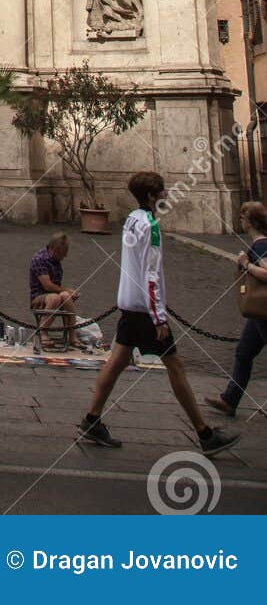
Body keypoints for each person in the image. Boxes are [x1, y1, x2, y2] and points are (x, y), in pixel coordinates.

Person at [77, 171, 234, 455]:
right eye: (161, 191)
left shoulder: (130, 221)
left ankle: (91, 419)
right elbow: (150, 275)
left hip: (129, 303)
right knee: (174, 365)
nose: (165, 195)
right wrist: (159, 317)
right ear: (150, 196)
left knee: (117, 361)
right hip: (144, 310)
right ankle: (205, 434)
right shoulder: (150, 225)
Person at [208, 199, 267, 419]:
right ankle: (229, 400)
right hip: (258, 312)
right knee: (244, 352)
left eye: (242, 217)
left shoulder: (261, 245)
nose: (240, 221)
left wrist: (245, 263)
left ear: (249, 222)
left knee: (245, 353)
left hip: (263, 309)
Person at [29, 233, 78, 346]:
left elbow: (57, 288)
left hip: (52, 295)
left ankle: (72, 334)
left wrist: (69, 293)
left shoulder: (55, 261)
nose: (64, 257)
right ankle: (43, 332)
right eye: (63, 254)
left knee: (65, 296)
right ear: (55, 250)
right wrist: (65, 290)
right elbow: (47, 286)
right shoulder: (39, 259)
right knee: (55, 297)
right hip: (39, 297)